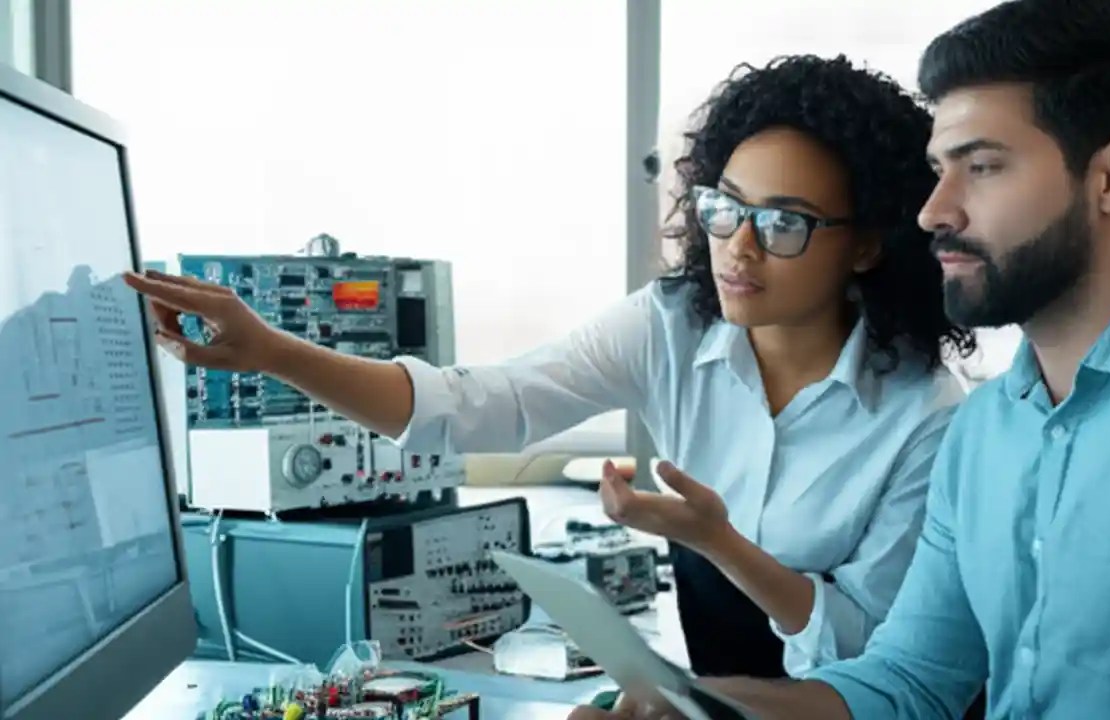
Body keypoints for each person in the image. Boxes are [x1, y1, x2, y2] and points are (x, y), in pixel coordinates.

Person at [124, 55, 973, 681]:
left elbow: (868, 649)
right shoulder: (672, 325)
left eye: (783, 223)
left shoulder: (927, 416)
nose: (738, 248)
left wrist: (715, 541)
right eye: (725, 208)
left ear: (868, 243)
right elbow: (478, 406)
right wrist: (270, 351)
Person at [565, 0, 1110, 718]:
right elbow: (906, 684)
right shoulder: (985, 430)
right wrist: (695, 706)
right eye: (940, 170)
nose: (933, 210)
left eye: (982, 166)